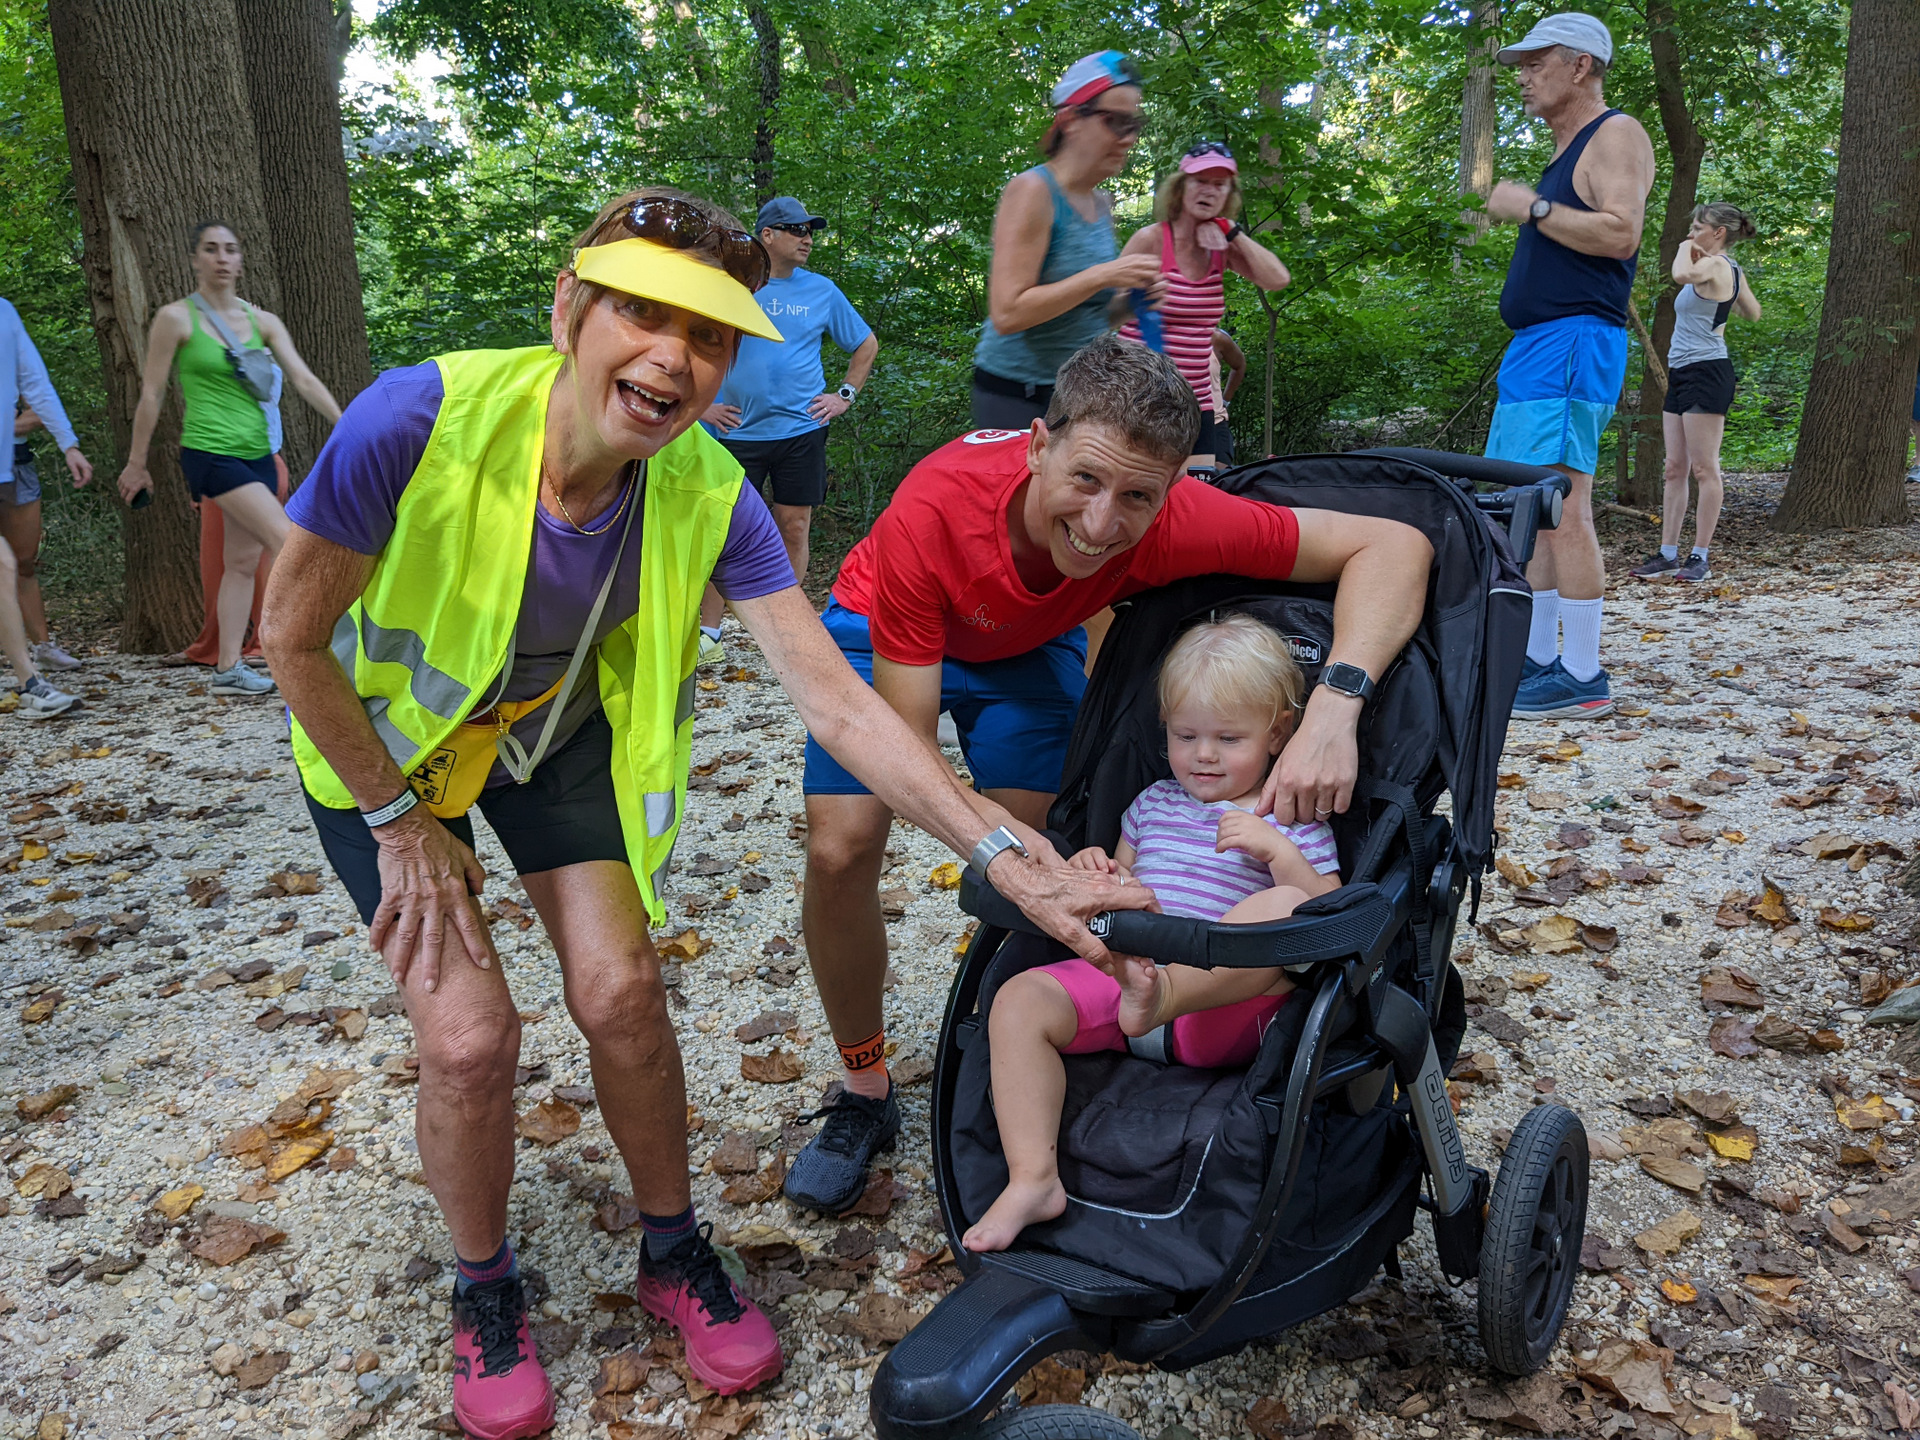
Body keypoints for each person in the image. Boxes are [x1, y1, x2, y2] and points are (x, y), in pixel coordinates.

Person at [259, 187, 1145, 1440]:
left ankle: (673, 1251)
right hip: (381, 759)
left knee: (621, 993)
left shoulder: (708, 490)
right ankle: (484, 1288)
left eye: (711, 335)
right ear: (570, 310)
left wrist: (1007, 850)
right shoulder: (421, 416)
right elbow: (289, 637)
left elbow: (839, 706)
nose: (674, 356)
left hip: (544, 741)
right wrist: (401, 819)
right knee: (467, 1041)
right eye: (643, 312)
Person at [788, 334, 1433, 1215]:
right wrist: (1004, 855)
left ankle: (1054, 1057)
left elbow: (1393, 547)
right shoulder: (933, 510)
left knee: (1046, 855)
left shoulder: (1179, 518)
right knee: (844, 842)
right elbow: (911, 763)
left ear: (1172, 488)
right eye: (1085, 481)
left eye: (1137, 496)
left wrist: (1333, 705)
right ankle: (864, 1089)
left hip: (1026, 641)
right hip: (890, 623)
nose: (1102, 524)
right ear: (1036, 445)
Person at [962, 613, 1342, 1252]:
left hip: (1222, 1008)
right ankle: (1034, 1177)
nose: (1203, 755)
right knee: (1017, 1000)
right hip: (1123, 983)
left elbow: (1329, 915)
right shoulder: (1150, 804)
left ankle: (1165, 995)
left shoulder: (1291, 818)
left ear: (1278, 735)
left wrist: (1278, 854)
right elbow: (1123, 887)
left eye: (1228, 738)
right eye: (1186, 735)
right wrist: (1096, 871)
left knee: (1281, 904)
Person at [1482, 13, 1653, 720]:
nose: (1522, 76)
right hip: (1541, 345)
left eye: (1535, 62)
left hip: (1574, 339)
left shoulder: (1615, 132)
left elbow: (1621, 232)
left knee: (1565, 504)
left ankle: (1583, 674)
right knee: (1535, 505)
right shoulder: (1567, 148)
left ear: (1580, 65)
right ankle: (1543, 659)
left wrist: (1535, 206)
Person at [118, 222, 340, 696]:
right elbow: (152, 395)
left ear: (241, 261)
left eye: (230, 250)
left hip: (258, 454)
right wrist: (137, 463)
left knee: (240, 564)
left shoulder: (263, 323)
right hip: (210, 454)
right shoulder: (176, 319)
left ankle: (226, 671)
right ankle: (314, 655)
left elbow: (302, 380)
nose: (221, 258)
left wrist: (347, 424)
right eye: (211, 249)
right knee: (289, 544)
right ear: (195, 259)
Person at [697, 195, 876, 665]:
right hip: (734, 434)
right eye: (796, 229)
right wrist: (702, 407)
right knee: (721, 530)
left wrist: (844, 397)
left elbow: (865, 344)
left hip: (800, 430)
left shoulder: (821, 291)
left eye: (810, 230)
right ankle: (709, 632)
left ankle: (787, 631)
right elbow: (690, 340)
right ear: (768, 235)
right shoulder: (733, 286)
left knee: (794, 525)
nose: (807, 238)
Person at [971, 51, 1165, 429]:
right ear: (1072, 119)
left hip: (1080, 391)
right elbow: (1008, 313)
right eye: (1116, 121)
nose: (1129, 138)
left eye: (1135, 124)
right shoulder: (1032, 191)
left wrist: (1131, 303)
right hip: (1017, 394)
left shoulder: (1099, 203)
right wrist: (1104, 275)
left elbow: (1086, 314)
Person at [1116, 143, 1289, 467]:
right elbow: (1106, 314)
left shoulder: (1222, 247)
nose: (1208, 190)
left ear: (1228, 194)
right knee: (1138, 496)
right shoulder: (1151, 239)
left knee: (1195, 501)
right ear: (1181, 188)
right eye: (1200, 181)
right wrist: (1138, 299)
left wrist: (1231, 231)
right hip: (1137, 398)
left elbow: (1277, 279)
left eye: (1219, 184)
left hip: (1196, 404)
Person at [1630, 203, 1761, 585]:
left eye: (1697, 226)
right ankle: (1667, 553)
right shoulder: (1726, 269)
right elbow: (1751, 311)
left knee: (1705, 468)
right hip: (1682, 371)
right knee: (1675, 468)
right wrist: (1725, 302)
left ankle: (1700, 556)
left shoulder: (1718, 265)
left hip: (1708, 372)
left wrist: (1685, 248)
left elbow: (1681, 274)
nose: (1691, 231)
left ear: (1718, 233)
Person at [2, 300, 93, 711]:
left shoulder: (5, 314)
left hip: (12, 464)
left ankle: (36, 662)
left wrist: (69, 444)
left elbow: (35, 385)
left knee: (17, 562)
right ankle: (30, 683)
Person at [182, 358, 291, 666]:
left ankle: (264, 643)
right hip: (219, 464)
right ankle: (216, 648)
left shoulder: (261, 362)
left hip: (253, 463)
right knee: (218, 560)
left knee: (263, 557)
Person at [1212, 328, 1246, 466]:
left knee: (1219, 480)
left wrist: (1225, 400)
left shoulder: (1217, 338)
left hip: (1213, 421)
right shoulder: (1155, 337)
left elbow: (1239, 365)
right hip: (1171, 426)